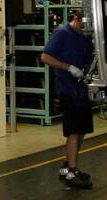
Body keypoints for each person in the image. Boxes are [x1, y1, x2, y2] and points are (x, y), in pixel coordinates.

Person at [40, 10, 94, 189]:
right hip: (67, 88)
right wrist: (68, 67)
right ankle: (71, 172)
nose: (86, 28)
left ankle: (67, 167)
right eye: (84, 25)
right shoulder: (62, 33)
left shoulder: (84, 37)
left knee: (82, 130)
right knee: (73, 131)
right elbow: (45, 57)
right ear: (76, 19)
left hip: (81, 88)